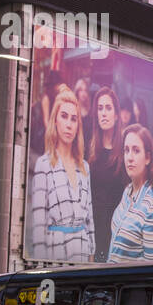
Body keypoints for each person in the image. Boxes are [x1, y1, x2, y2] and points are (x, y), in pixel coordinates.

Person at [28, 87, 95, 262]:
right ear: (55, 121)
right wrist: (42, 266)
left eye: (74, 119)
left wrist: (92, 256)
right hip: (55, 252)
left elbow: (89, 219)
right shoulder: (44, 164)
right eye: (64, 116)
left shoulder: (84, 167)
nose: (69, 124)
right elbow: (39, 223)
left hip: (82, 251)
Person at [109, 124, 153, 262]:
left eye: (136, 150)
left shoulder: (151, 210)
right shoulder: (127, 192)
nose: (129, 157)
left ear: (148, 158)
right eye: (126, 150)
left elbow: (150, 273)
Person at [87, 86, 126, 261]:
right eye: (100, 108)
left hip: (116, 234)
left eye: (108, 108)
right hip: (92, 231)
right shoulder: (90, 147)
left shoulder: (126, 150)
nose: (103, 113)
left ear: (117, 115)